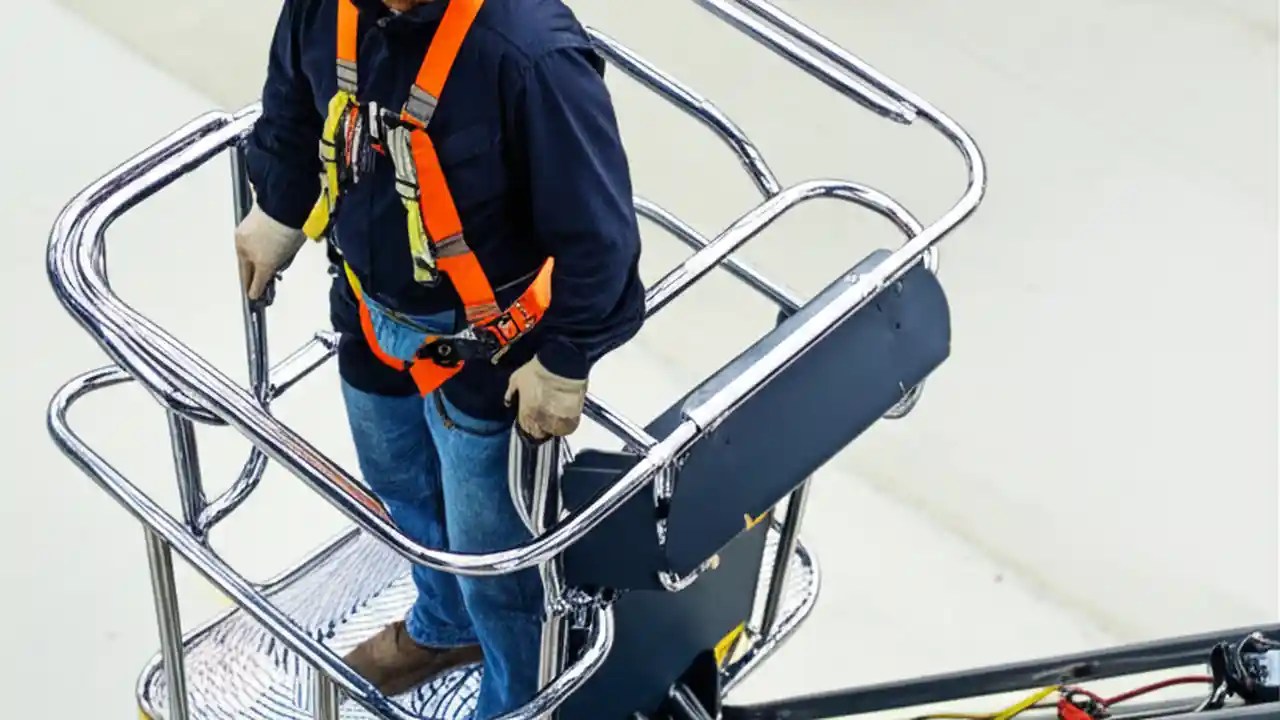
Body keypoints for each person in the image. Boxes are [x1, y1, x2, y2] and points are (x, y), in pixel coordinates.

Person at [233, 0, 646, 716]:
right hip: (368, 309)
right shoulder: (323, 11)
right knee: (399, 484)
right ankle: (447, 627)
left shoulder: (530, 56)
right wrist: (279, 204)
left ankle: (521, 696)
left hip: (493, 350)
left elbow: (599, 236)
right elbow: (294, 113)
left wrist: (567, 354)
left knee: (495, 564)